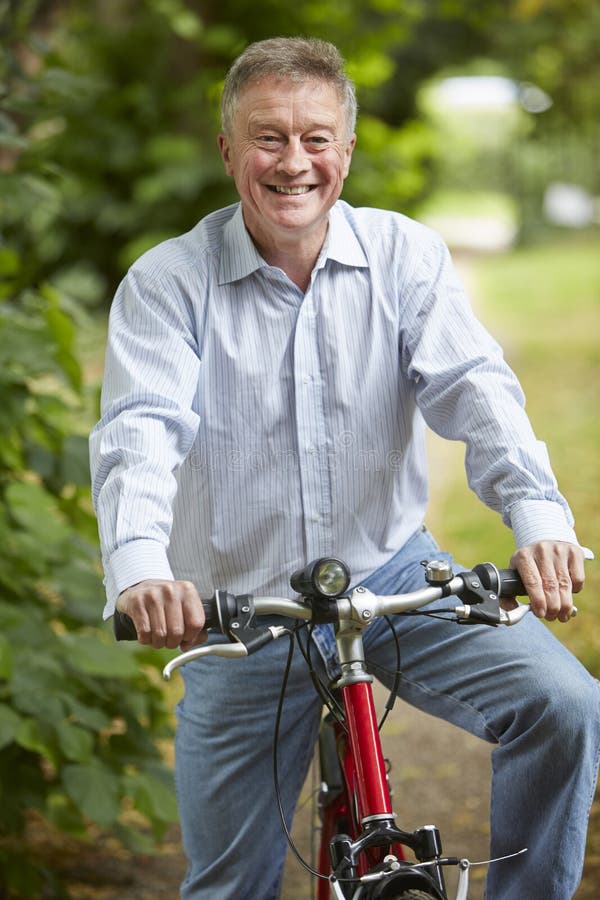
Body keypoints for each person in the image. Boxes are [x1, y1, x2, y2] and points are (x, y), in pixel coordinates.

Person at [89, 37, 599, 900]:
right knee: (228, 885)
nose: (295, 162)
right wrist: (142, 571)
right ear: (227, 151)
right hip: (241, 605)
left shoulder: (406, 257)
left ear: (348, 150)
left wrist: (539, 519)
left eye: (317, 138)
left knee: (569, 709)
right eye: (268, 137)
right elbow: (141, 432)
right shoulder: (167, 283)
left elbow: (478, 393)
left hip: (389, 572)